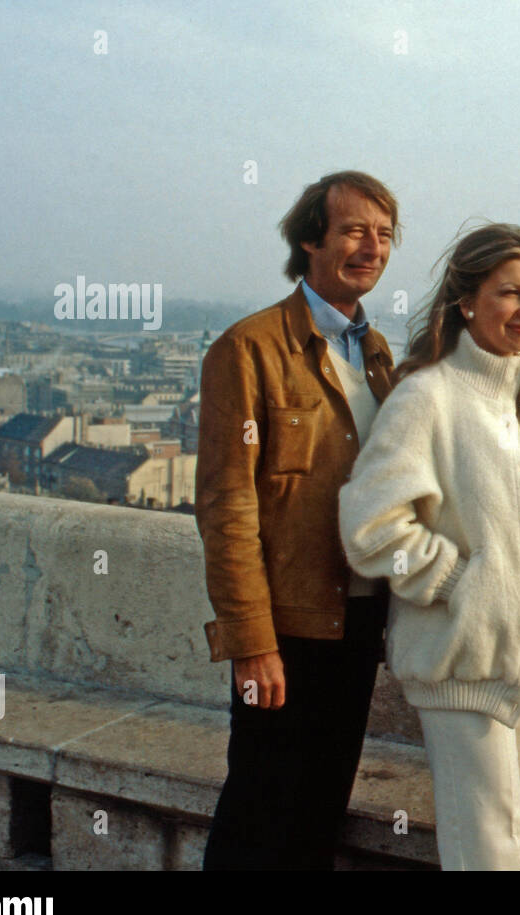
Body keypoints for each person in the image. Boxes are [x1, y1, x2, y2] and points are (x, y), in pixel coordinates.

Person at [339, 222, 520, 870]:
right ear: (466, 301)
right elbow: (370, 528)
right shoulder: (428, 398)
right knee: (488, 853)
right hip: (462, 658)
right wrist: (460, 584)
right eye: (510, 293)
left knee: (517, 846)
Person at [195, 170, 400, 869]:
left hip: (357, 623)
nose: (370, 248)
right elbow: (228, 508)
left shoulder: (378, 357)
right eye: (352, 231)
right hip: (282, 633)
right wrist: (252, 646)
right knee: (258, 813)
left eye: (383, 235)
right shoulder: (249, 349)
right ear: (310, 238)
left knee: (317, 816)